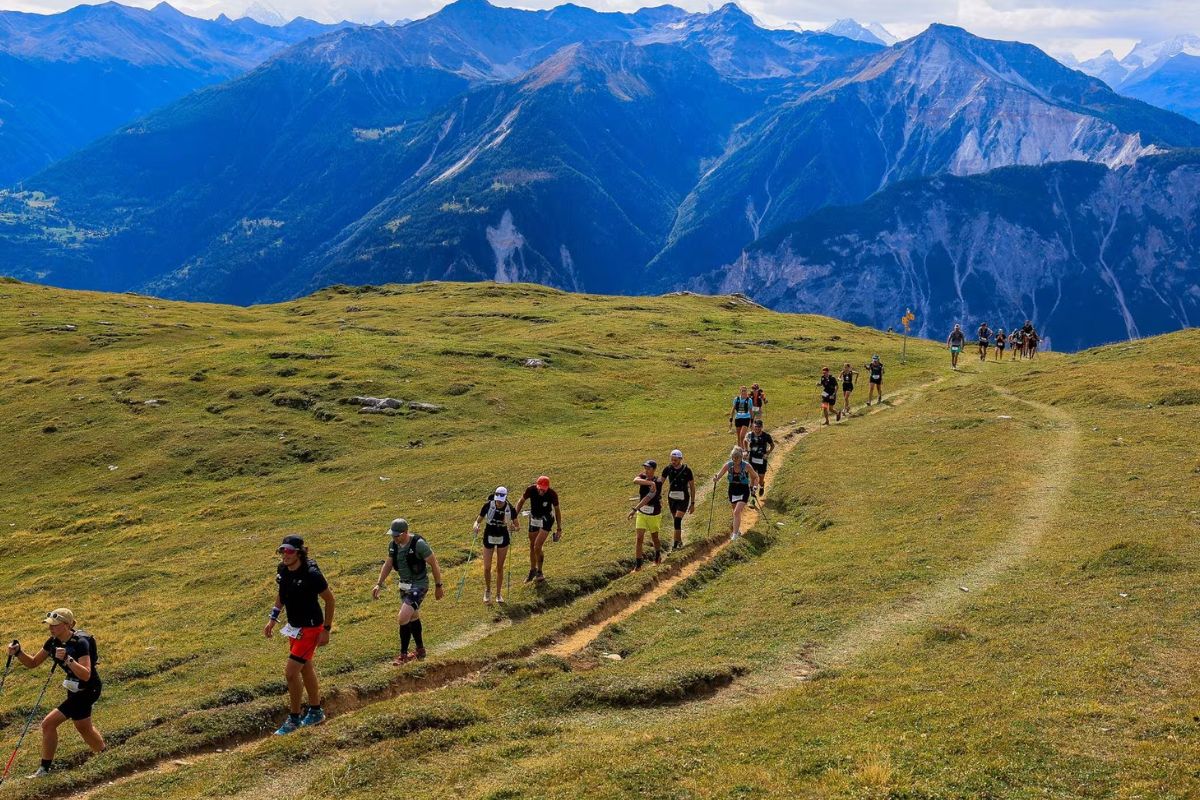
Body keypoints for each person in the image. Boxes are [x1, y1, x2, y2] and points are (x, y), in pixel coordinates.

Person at [5, 609, 105, 778]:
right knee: (83, 727)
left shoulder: (81, 643)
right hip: (74, 689)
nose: (51, 628)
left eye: (55, 625)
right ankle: (105, 754)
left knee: (48, 724)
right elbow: (33, 663)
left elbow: (86, 674)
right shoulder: (52, 643)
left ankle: (44, 770)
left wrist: (68, 659)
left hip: (88, 689)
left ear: (67, 625)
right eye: (49, 625)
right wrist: (18, 652)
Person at [264, 535, 334, 735]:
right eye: (282, 551)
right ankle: (315, 711)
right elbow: (281, 595)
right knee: (305, 668)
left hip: (311, 628)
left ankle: (294, 718)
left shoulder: (312, 574)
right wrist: (273, 618)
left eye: (289, 551)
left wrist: (326, 630)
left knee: (290, 673)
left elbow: (330, 600)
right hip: (294, 627)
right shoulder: (283, 571)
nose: (285, 555)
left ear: (300, 552)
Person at [372, 519, 444, 665]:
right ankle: (420, 650)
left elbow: (434, 564)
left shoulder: (419, 544)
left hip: (419, 585)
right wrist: (379, 584)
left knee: (402, 617)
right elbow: (388, 564)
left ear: (405, 532)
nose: (394, 538)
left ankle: (403, 655)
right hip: (404, 586)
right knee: (412, 617)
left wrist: (438, 586)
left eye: (397, 535)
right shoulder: (393, 545)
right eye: (393, 535)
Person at [474, 487, 518, 604]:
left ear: (505, 498)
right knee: (487, 567)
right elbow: (478, 520)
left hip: (503, 538)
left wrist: (514, 528)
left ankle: (498, 594)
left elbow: (517, 526)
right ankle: (488, 591)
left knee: (499, 567)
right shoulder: (488, 505)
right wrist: (476, 526)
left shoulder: (510, 509)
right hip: (489, 536)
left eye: (501, 500)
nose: (499, 502)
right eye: (498, 499)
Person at [515, 476, 562, 583]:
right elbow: (521, 501)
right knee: (532, 545)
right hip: (534, 518)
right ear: (537, 485)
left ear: (547, 487)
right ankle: (532, 570)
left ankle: (540, 572)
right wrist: (515, 516)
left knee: (537, 546)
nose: (541, 491)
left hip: (546, 519)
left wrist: (559, 528)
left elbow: (557, 511)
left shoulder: (552, 494)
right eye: (540, 488)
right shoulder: (530, 490)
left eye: (544, 489)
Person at [712, 447, 759, 540]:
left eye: (737, 458)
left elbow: (755, 477)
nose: (735, 460)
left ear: (741, 457)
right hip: (732, 489)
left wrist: (754, 487)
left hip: (743, 489)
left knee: (736, 511)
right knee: (735, 512)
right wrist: (716, 478)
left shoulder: (746, 466)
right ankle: (737, 531)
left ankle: (734, 534)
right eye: (733, 457)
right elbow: (719, 475)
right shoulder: (728, 465)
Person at [627, 459, 664, 571]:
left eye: (648, 468)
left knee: (655, 537)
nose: (646, 470)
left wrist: (634, 509)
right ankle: (638, 565)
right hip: (642, 513)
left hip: (654, 513)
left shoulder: (658, 482)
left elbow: (647, 498)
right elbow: (635, 480)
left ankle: (658, 555)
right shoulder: (643, 477)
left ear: (654, 469)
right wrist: (649, 483)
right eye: (645, 468)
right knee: (639, 538)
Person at [661, 449, 695, 550]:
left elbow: (692, 487)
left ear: (680, 459)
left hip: (683, 498)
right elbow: (660, 483)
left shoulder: (687, 470)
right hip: (672, 498)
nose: (673, 462)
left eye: (675, 460)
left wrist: (692, 503)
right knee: (676, 520)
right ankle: (679, 541)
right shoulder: (667, 469)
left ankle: (675, 545)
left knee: (677, 520)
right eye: (672, 460)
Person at [745, 420, 775, 497]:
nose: (757, 429)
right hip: (752, 460)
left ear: (761, 427)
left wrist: (767, 453)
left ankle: (761, 486)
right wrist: (746, 451)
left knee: (760, 480)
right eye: (755, 427)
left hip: (762, 461)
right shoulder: (750, 434)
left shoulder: (766, 436)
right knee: (753, 479)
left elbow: (772, 445)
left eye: (759, 427)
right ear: (753, 427)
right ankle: (752, 498)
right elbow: (745, 440)